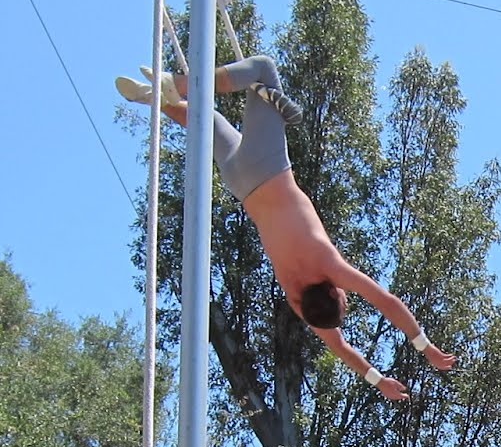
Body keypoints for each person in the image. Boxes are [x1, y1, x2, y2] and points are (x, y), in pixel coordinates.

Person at [116, 56, 455, 399]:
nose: (347, 297)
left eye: (344, 300)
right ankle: (154, 98)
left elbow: (387, 302)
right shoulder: (296, 297)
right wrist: (378, 381)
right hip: (240, 183)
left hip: (268, 168)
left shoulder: (330, 267)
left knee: (263, 69)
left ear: (334, 292)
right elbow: (339, 346)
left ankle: (179, 85)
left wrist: (424, 345)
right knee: (210, 121)